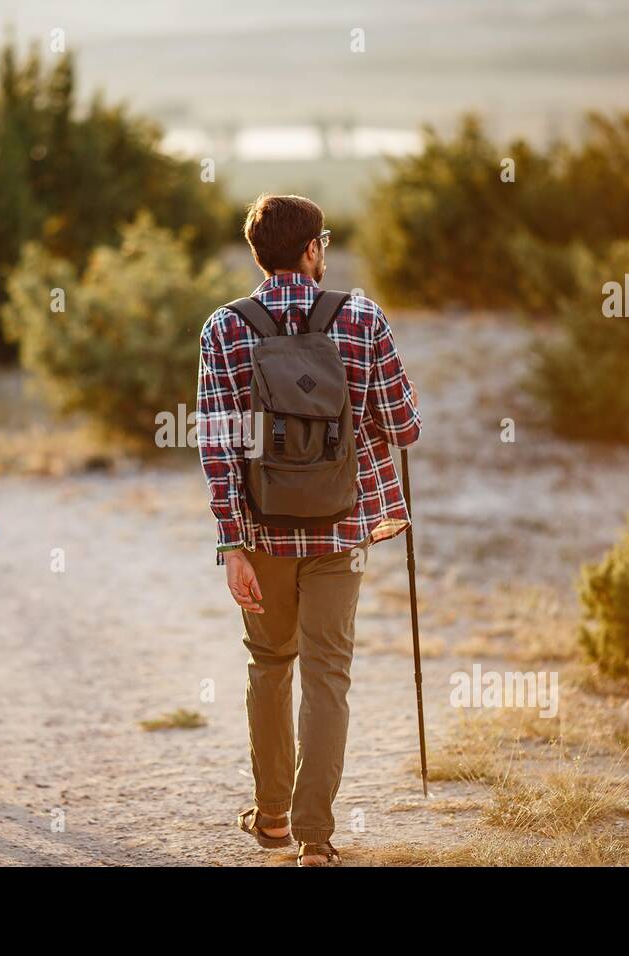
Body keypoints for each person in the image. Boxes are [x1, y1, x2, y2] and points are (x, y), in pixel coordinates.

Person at [196, 193, 421, 865]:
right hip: (343, 527)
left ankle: (270, 818)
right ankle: (315, 837)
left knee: (270, 663)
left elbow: (216, 445)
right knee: (329, 673)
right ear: (313, 249)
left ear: (259, 253)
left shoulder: (225, 328)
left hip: (262, 532)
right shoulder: (360, 318)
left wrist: (230, 541)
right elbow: (404, 425)